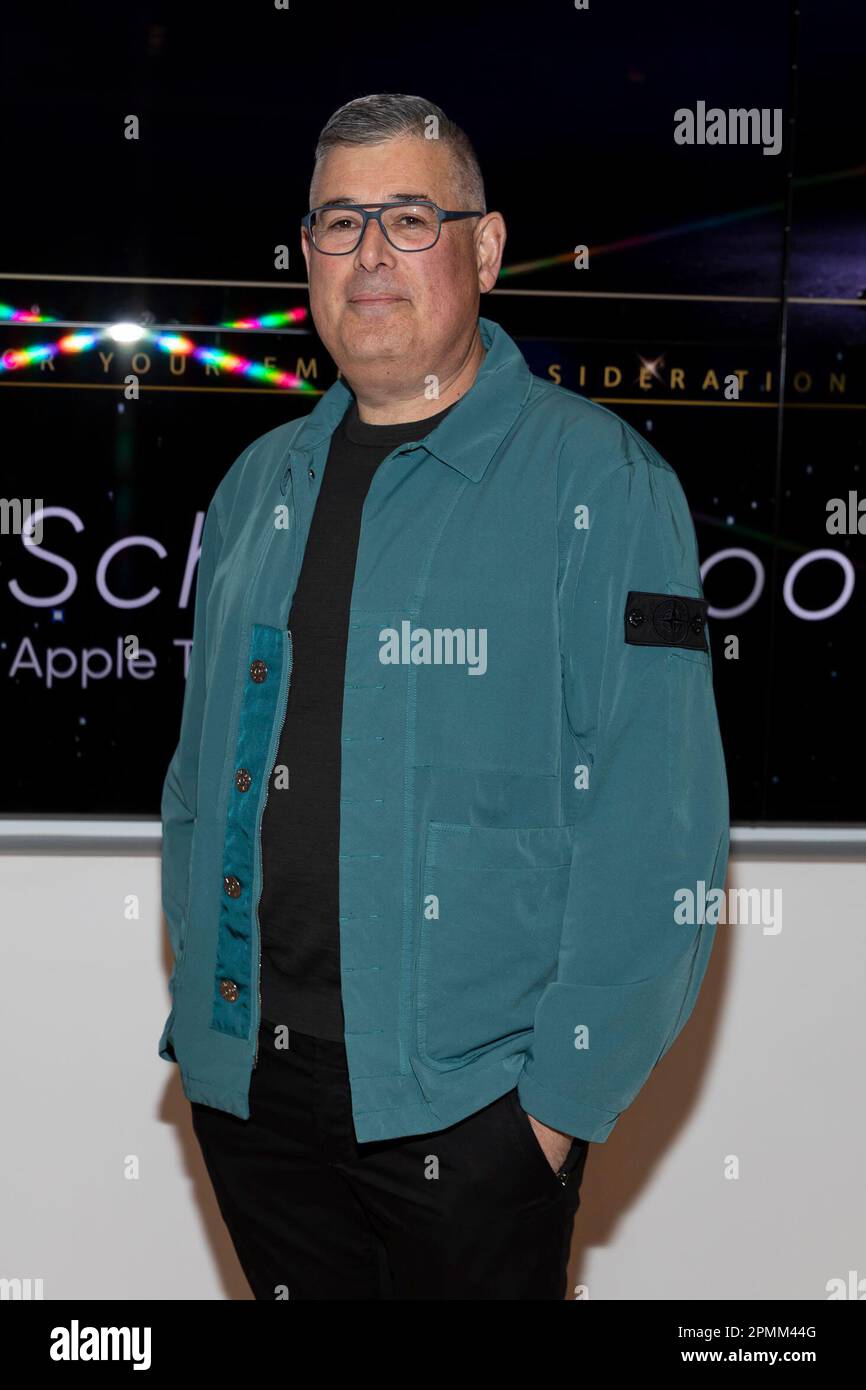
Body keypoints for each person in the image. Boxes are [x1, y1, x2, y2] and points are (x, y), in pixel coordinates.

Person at [159, 92, 730, 1300]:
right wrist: (210, 1041)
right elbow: (199, 785)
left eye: (409, 217)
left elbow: (656, 831)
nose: (369, 252)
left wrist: (551, 1117)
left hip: (470, 1118)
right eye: (338, 221)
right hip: (256, 1102)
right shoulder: (260, 483)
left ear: (480, 248)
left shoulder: (602, 482)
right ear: (304, 255)